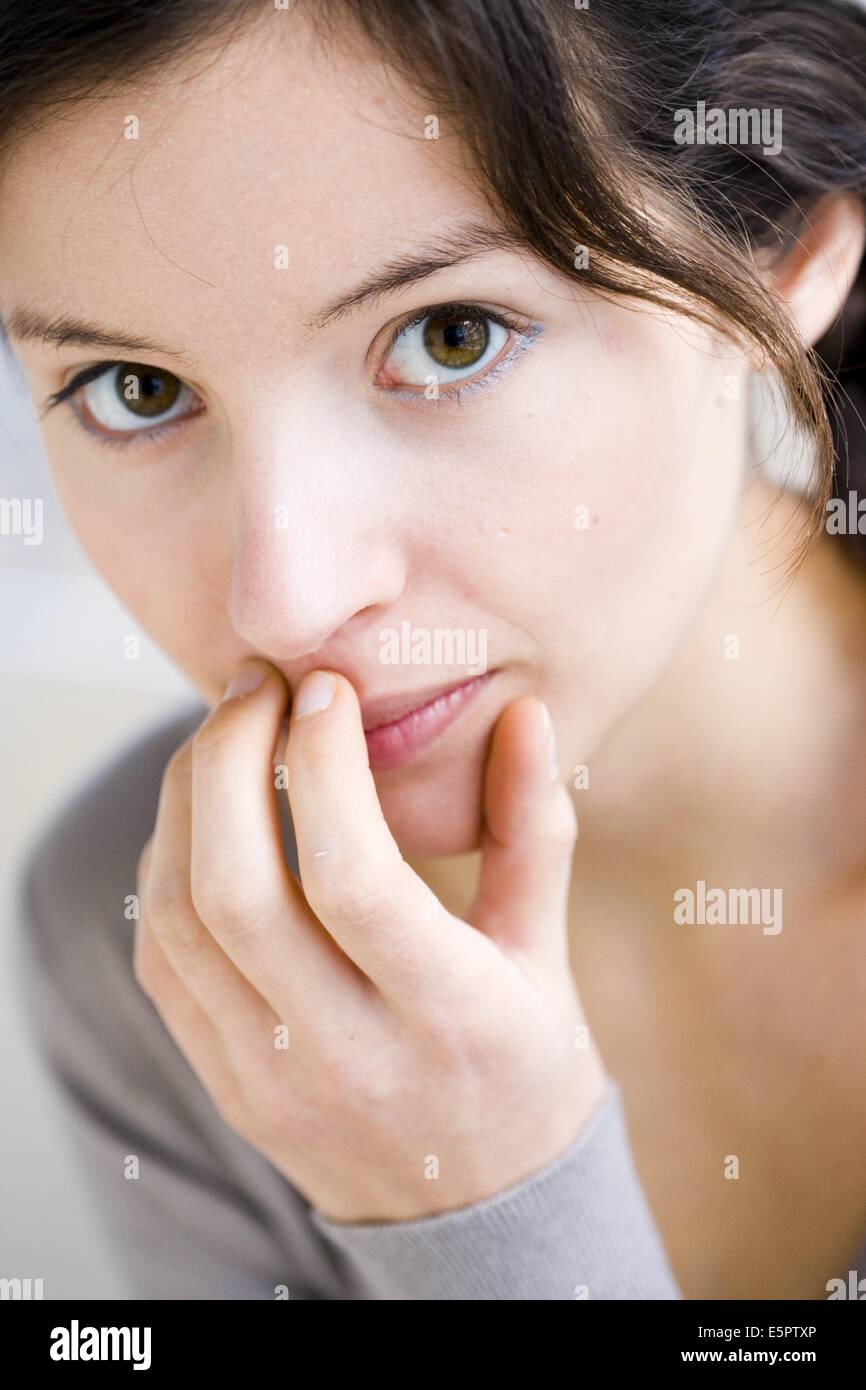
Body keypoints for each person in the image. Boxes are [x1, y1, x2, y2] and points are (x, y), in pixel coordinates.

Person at [6, 0, 866, 1300]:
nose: (282, 602)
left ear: (777, 253)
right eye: (136, 389)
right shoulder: (149, 930)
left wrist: (486, 1213)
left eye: (447, 335)